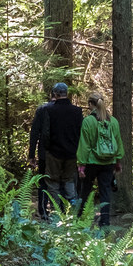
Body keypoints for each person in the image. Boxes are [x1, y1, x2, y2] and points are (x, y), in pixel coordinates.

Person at [27, 81, 84, 218]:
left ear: (54, 94)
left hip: (52, 154)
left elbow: (38, 132)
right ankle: (73, 212)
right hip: (71, 154)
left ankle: (55, 213)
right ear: (66, 93)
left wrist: (32, 154)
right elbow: (81, 134)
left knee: (50, 183)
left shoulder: (46, 110)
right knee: (69, 182)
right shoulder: (77, 111)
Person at [77, 93, 122, 227]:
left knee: (85, 190)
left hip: (91, 162)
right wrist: (118, 161)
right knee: (105, 192)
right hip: (109, 162)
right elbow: (118, 142)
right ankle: (105, 221)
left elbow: (84, 145)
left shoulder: (88, 121)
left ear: (91, 105)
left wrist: (81, 165)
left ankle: (81, 219)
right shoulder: (113, 121)